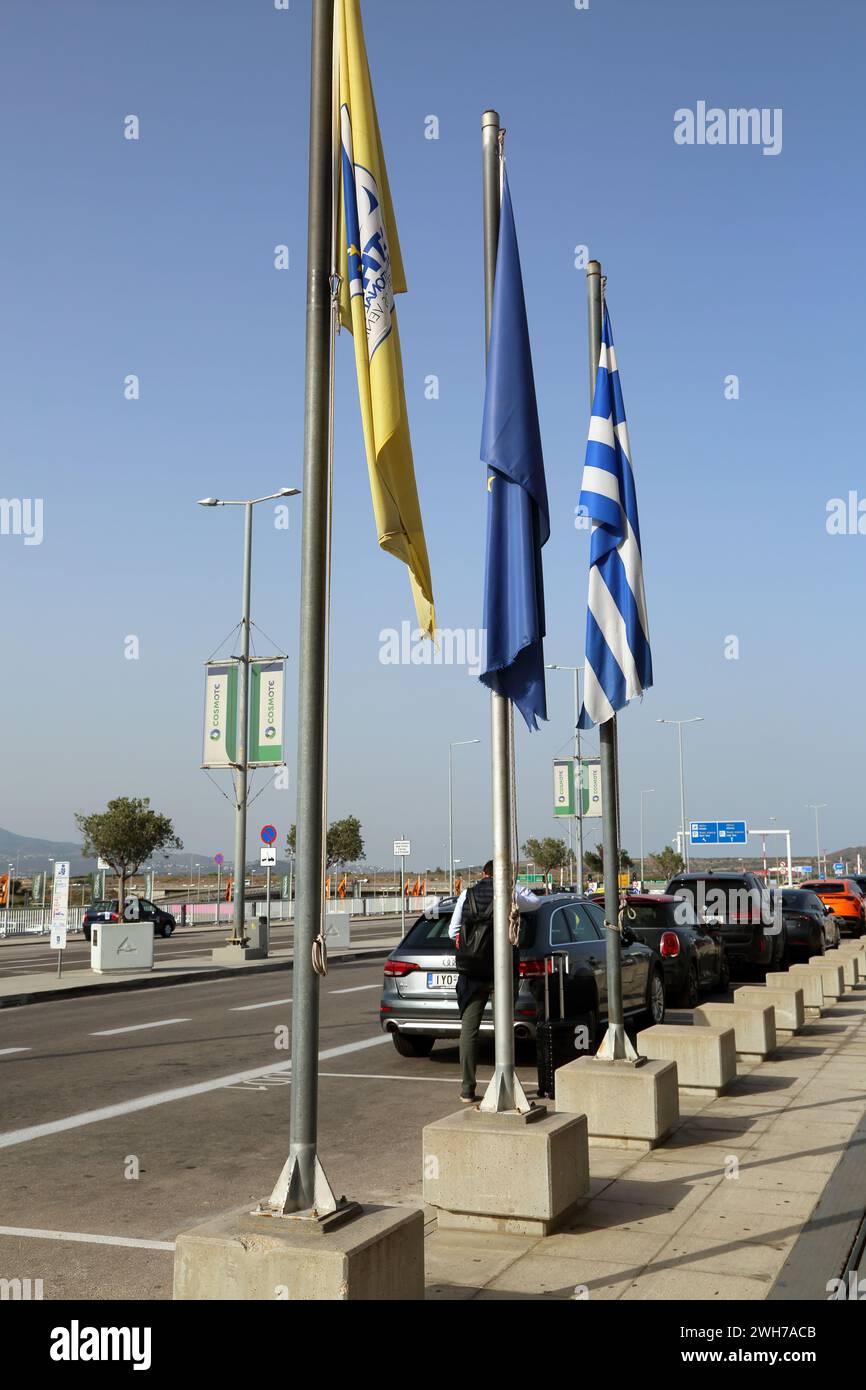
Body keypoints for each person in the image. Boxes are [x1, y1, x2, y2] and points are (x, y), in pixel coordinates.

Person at [448, 861, 542, 1103]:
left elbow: (452, 931)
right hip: (502, 971)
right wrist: (513, 886)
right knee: (503, 1028)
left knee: (469, 1031)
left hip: (472, 972)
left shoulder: (466, 895)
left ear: (483, 873)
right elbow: (535, 902)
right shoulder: (511, 894)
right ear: (506, 875)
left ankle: (467, 1088)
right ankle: (505, 1081)